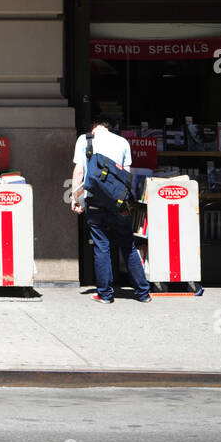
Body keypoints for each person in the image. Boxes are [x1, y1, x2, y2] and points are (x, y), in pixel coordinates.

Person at [71, 117, 151, 305]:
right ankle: (143, 293)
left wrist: (76, 199)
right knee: (128, 245)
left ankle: (105, 294)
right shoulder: (122, 142)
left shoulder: (85, 140)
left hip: (95, 201)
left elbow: (79, 172)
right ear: (109, 128)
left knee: (101, 245)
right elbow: (126, 175)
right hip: (118, 203)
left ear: (94, 127)